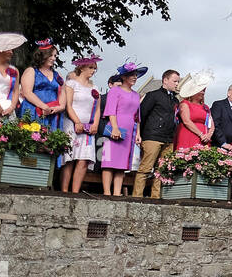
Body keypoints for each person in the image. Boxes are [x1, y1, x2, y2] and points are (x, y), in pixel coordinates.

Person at [101, 62, 145, 196]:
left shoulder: (136, 95)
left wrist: (138, 133)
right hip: (115, 127)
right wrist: (115, 128)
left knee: (122, 164)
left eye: (136, 75)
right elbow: (110, 111)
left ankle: (117, 192)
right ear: (124, 77)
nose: (135, 77)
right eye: (132, 75)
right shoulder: (115, 91)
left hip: (130, 131)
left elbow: (137, 116)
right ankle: (107, 192)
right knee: (109, 162)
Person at [60, 54, 102, 193]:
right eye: (91, 67)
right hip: (72, 124)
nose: (93, 71)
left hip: (88, 127)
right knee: (69, 158)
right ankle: (64, 190)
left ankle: (75, 192)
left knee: (83, 159)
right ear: (82, 67)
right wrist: (77, 122)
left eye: (95, 68)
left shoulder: (95, 88)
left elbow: (97, 109)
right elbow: (68, 106)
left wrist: (95, 124)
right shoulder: (71, 84)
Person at [135, 69, 179, 198]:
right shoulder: (152, 95)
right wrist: (139, 134)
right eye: (175, 81)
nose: (177, 84)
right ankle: (136, 197)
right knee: (145, 168)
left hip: (169, 139)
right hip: (152, 137)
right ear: (165, 80)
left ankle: (156, 197)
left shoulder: (175, 100)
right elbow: (141, 115)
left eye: (178, 81)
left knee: (161, 170)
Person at [18, 40, 66, 133]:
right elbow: (27, 92)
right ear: (42, 55)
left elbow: (63, 91)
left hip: (53, 112)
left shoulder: (57, 75)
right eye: (51, 55)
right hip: (34, 110)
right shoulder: (31, 71)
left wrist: (61, 106)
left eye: (55, 56)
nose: (53, 58)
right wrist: (44, 107)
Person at [174, 73, 215, 153]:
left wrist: (208, 135)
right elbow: (186, 121)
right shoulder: (184, 104)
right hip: (188, 136)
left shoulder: (206, 107)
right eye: (201, 90)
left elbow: (211, 125)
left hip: (204, 139)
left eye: (204, 91)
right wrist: (200, 134)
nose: (203, 93)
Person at [209, 84, 232, 157]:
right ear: (229, 93)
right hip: (219, 146)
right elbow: (215, 125)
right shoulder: (218, 105)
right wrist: (223, 143)